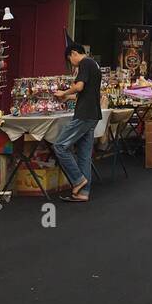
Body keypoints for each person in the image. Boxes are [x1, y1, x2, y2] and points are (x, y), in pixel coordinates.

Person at [52, 42, 102, 202]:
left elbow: (79, 87)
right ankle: (83, 193)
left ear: (74, 53)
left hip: (84, 114)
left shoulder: (85, 63)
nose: (71, 63)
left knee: (60, 146)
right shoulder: (94, 64)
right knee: (84, 155)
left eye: (69, 59)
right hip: (93, 113)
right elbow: (86, 92)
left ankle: (78, 179)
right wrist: (67, 97)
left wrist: (64, 91)